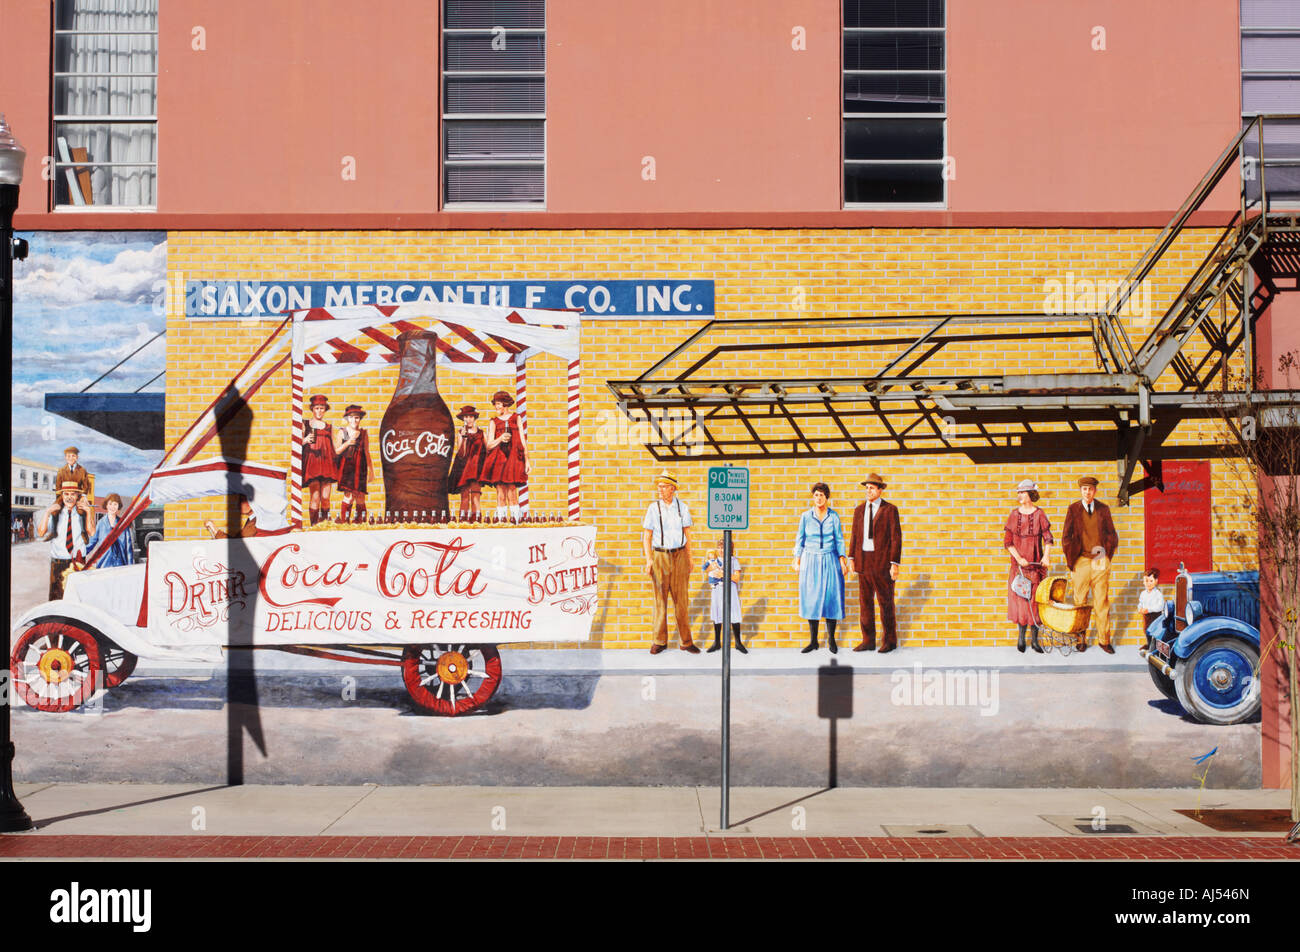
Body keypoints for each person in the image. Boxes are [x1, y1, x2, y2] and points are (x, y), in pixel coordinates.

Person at [1060, 475, 1120, 653]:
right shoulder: (1073, 509)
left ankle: (1104, 640)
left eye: (1090, 489)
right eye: (1084, 489)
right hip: (1081, 561)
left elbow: (1112, 535)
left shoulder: (1104, 509)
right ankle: (1080, 640)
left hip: (1100, 559)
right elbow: (1066, 537)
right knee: (1080, 603)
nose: (1087, 492)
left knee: (1101, 602)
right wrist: (1072, 562)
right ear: (1081, 491)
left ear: (1095, 491)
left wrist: (1107, 556)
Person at [642, 470, 699, 654]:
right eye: (659, 486)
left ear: (673, 488)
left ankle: (686, 641)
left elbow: (687, 534)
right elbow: (647, 536)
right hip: (660, 556)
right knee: (660, 600)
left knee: (681, 600)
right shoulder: (653, 508)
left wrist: (690, 558)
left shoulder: (683, 507)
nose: (660, 489)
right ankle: (660, 641)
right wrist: (649, 559)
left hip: (680, 555)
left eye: (664, 486)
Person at [848, 472, 903, 653]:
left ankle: (889, 641)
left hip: (882, 563)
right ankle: (868, 641)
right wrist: (851, 559)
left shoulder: (890, 510)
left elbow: (896, 538)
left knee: (885, 603)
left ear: (880, 490)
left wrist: (894, 564)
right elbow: (854, 536)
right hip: (863, 562)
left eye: (872, 488)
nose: (868, 491)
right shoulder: (859, 510)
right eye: (867, 488)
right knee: (865, 604)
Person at [793, 482, 850, 654]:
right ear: (813, 497)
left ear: (827, 497)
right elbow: (800, 539)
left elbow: (839, 539)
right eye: (816, 495)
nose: (818, 498)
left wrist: (842, 560)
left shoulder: (833, 516)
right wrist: (797, 559)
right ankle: (813, 641)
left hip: (830, 558)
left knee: (831, 598)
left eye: (821, 495)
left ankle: (831, 640)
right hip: (810, 560)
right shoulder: (805, 516)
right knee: (812, 598)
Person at [1003, 478, 1052, 653]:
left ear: (1030, 494)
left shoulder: (1040, 514)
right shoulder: (1013, 515)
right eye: (1018, 492)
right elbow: (1008, 542)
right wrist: (1018, 559)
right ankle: (1021, 639)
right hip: (1019, 568)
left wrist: (1046, 555)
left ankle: (1035, 641)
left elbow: (1048, 538)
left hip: (1035, 567)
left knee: (1034, 603)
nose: (1019, 495)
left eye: (1022, 492)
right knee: (1021, 601)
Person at [38, 481, 96, 600]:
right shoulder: (55, 514)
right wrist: (47, 512)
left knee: (78, 596)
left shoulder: (82, 514)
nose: (69, 497)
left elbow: (92, 532)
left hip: (78, 562)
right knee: (57, 598)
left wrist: (89, 512)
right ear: (62, 496)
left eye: (73, 494)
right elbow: (41, 532)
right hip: (58, 562)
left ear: (77, 497)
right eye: (66, 494)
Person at [480, 390, 530, 521]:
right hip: (499, 460)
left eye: (498, 404)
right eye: (495, 404)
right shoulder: (494, 422)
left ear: (505, 404)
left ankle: (516, 521)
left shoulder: (516, 418)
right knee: (500, 492)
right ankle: (501, 522)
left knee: (512, 491)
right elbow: (489, 445)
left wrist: (527, 460)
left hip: (514, 458)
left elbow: (523, 440)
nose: (496, 407)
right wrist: (500, 438)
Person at [703, 540, 746, 654]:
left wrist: (723, 574)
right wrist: (710, 568)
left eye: (724, 548)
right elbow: (706, 570)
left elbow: (736, 578)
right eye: (719, 548)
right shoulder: (715, 561)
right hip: (717, 590)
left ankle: (738, 642)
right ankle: (717, 642)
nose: (721, 550)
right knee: (717, 614)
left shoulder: (733, 561)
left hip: (730, 590)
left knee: (734, 614)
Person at [302, 394, 339, 525]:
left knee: (325, 497)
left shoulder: (329, 427)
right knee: (315, 496)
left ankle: (324, 523)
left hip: (327, 463)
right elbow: (295, 444)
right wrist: (305, 440)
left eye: (322, 408)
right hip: (313, 463)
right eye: (316, 408)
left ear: (325, 410)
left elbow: (336, 447)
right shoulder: (305, 424)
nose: (319, 411)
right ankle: (314, 525)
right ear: (312, 409)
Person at [334, 404, 372, 524]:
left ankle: (360, 522)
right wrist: (348, 443)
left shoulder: (364, 433)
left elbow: (367, 451)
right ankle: (345, 523)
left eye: (357, 417)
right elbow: (336, 451)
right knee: (349, 496)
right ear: (347, 419)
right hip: (347, 467)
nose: (354, 420)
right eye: (351, 417)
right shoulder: (342, 432)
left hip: (360, 467)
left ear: (360, 419)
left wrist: (371, 470)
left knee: (360, 496)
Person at [449, 405, 487, 519]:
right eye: (466, 417)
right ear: (463, 419)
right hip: (463, 467)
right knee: (464, 496)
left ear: (474, 418)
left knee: (476, 495)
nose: (468, 419)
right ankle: (463, 520)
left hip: (476, 467)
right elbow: (461, 453)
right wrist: (464, 437)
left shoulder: (481, 433)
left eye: (471, 417)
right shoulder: (460, 433)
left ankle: (476, 519)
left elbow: (487, 450)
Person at [86, 492, 135, 567]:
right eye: (110, 504)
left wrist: (130, 566)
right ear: (106, 505)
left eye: (115, 504)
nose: (113, 507)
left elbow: (128, 548)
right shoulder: (101, 523)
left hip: (121, 564)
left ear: (119, 506)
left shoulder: (123, 524)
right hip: (104, 563)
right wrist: (81, 554)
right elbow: (92, 542)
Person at [1138, 568, 1165, 635]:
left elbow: (1161, 606)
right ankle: (1149, 644)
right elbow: (1140, 603)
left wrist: (1149, 609)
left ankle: (1154, 644)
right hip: (1146, 616)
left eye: (1151, 581)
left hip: (1155, 616)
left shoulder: (1158, 593)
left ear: (1156, 581)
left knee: (1154, 631)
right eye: (1146, 581)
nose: (1148, 583)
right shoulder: (1143, 593)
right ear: (1143, 582)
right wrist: (1140, 608)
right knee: (1146, 630)